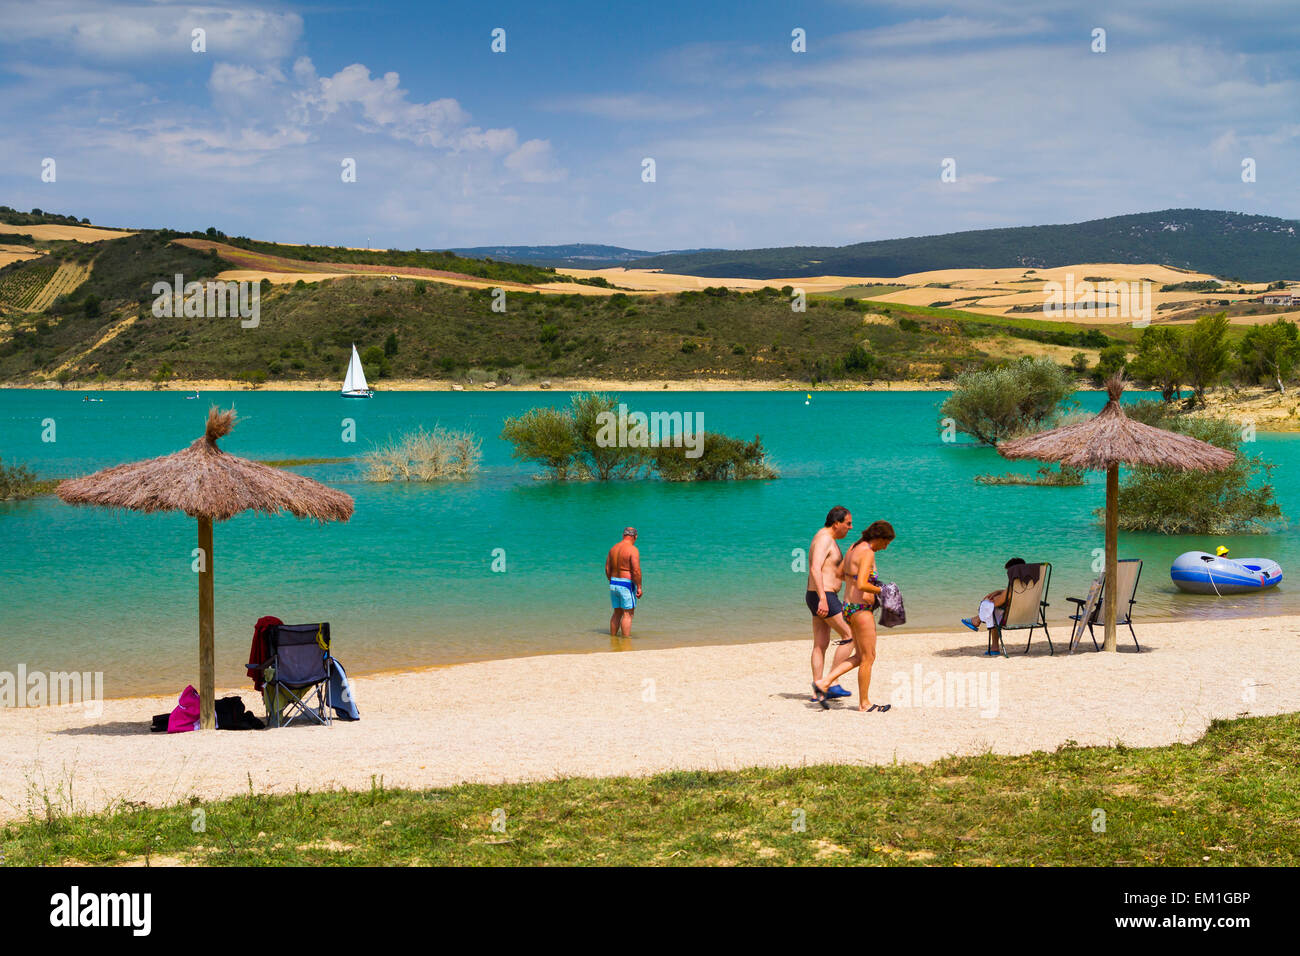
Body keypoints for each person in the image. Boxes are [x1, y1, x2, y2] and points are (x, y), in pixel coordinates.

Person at [814, 521, 896, 711]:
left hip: (848, 607)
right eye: (886, 542)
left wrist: (859, 582)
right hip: (860, 610)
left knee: (860, 656)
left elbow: (840, 573)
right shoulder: (867, 551)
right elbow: (861, 584)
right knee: (869, 657)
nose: (886, 547)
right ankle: (864, 704)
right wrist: (882, 590)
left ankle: (824, 683)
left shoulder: (853, 547)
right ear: (879, 538)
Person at [806, 506, 855, 702]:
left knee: (820, 644)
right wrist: (824, 599)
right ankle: (831, 683)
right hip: (822, 595)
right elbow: (814, 568)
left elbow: (831, 571)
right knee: (850, 635)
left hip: (817, 595)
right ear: (837, 523)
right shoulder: (825, 538)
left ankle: (818, 689)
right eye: (848, 523)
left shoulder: (828, 539)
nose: (850, 528)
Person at [960, 557, 1037, 655]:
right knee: (993, 609)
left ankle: (978, 622)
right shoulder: (1032, 584)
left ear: (1014, 571)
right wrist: (999, 592)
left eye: (1009, 572)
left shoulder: (1013, 585)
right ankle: (977, 620)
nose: (1008, 575)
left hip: (1011, 619)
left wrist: (990, 599)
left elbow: (997, 603)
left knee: (989, 606)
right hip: (1029, 617)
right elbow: (1012, 595)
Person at [606, 527, 642, 638]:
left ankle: (613, 639)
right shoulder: (632, 549)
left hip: (613, 583)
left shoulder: (613, 548)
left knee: (617, 613)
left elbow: (607, 568)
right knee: (628, 614)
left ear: (623, 535)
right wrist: (639, 587)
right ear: (635, 537)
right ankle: (626, 640)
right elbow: (636, 570)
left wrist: (612, 581)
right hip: (625, 584)